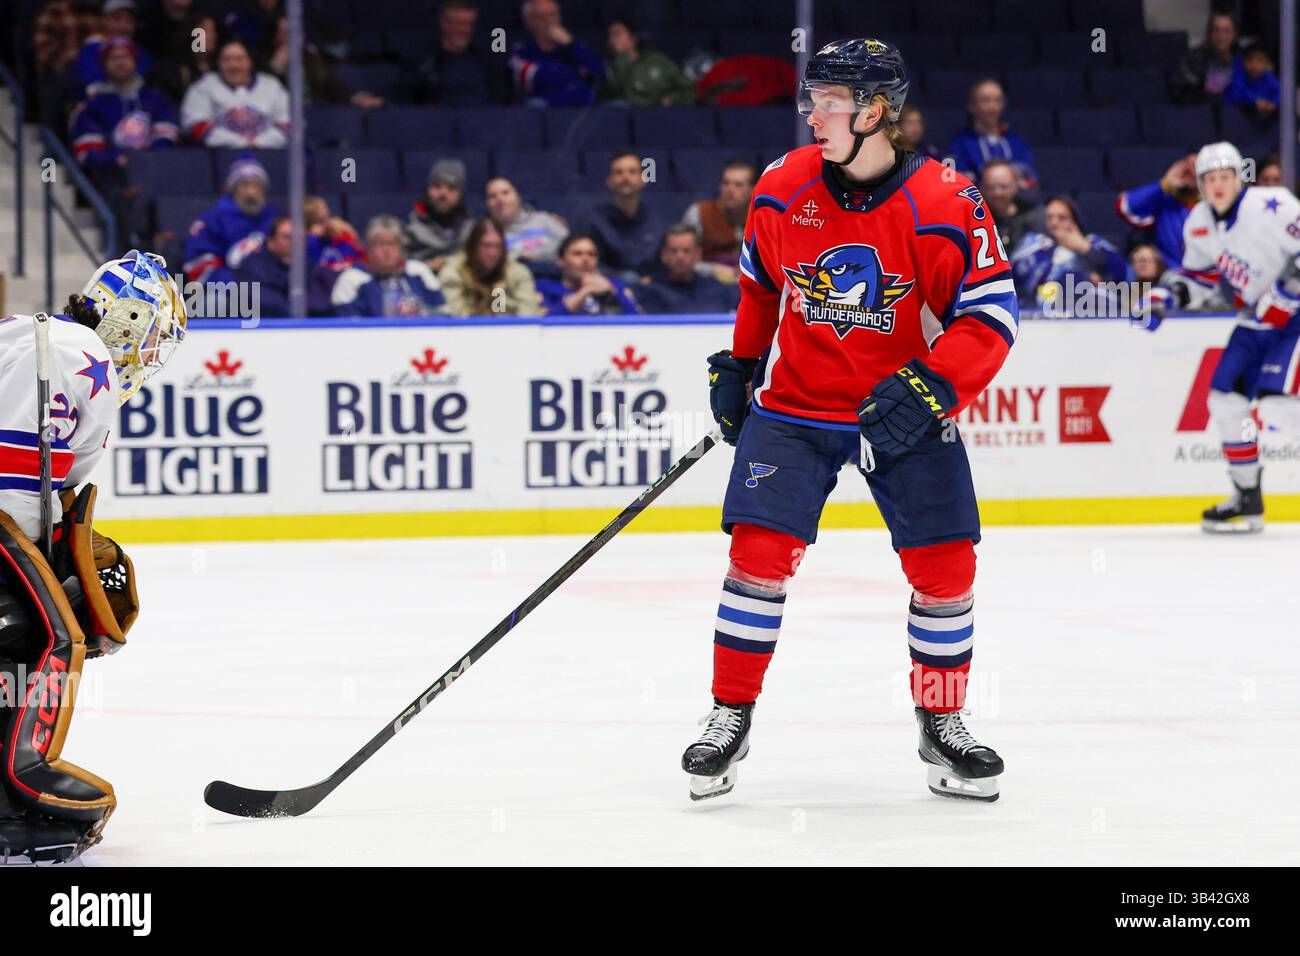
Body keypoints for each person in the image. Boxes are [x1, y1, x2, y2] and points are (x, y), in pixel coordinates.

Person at [686, 38, 1017, 803]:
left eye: (828, 101)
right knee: (757, 557)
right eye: (811, 99)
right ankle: (726, 715)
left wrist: (935, 386)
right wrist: (741, 364)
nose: (812, 115)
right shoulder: (781, 186)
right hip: (798, 406)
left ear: (874, 112)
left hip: (900, 411)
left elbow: (993, 313)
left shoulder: (944, 201)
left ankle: (943, 723)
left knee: (947, 570)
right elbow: (761, 284)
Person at [0, 250, 186, 863]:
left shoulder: (16, 332)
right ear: (129, 320)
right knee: (56, 636)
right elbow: (63, 493)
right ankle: (17, 788)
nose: (149, 354)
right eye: (153, 335)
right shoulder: (97, 363)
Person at [1136, 142, 1300, 534]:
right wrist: (1163, 298)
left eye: (1225, 177)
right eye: (1210, 179)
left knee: (1276, 406)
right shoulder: (1199, 224)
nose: (1218, 185)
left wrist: (1287, 292)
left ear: (1239, 178)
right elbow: (1197, 279)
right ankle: (1247, 496)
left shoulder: (1273, 204)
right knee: (1225, 401)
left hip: (1294, 319)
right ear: (1200, 184)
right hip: (1256, 322)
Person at [1010, 196, 1127, 310]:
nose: (1054, 223)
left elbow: (1120, 271)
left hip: (1091, 311)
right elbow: (1017, 276)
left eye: (1062, 218)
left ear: (1075, 220)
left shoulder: (1093, 242)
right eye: (1049, 217)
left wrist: (1084, 248)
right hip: (1039, 312)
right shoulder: (1033, 245)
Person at [184, 153, 280, 283]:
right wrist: (241, 285)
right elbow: (199, 267)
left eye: (257, 186)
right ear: (233, 189)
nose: (251, 193)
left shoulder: (275, 218)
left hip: (270, 288)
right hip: (230, 292)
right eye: (245, 185)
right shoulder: (211, 220)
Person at [180, 38, 289, 148]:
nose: (233, 65)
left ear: (250, 62)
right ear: (219, 63)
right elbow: (196, 126)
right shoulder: (203, 86)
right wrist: (241, 143)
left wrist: (259, 143)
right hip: (217, 157)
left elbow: (288, 125)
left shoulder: (272, 86)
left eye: (239, 59)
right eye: (226, 60)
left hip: (269, 155)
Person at [576, 151, 668, 279]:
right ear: (610, 181)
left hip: (650, 290)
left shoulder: (656, 223)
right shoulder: (592, 221)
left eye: (632, 172)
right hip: (607, 288)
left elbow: (663, 264)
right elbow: (588, 264)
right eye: (619, 172)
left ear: (643, 179)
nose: (626, 178)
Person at [332, 216, 446, 317]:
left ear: (402, 247)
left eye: (392, 244)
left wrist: (422, 313)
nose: (387, 251)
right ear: (367, 247)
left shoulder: (418, 271)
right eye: (380, 244)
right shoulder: (351, 279)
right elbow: (348, 328)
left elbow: (444, 314)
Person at [409, 0, 512, 106]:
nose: (464, 30)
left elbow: (501, 103)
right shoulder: (425, 63)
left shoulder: (486, 64)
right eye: (460, 23)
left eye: (469, 24)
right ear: (444, 24)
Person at [508, 0, 604, 107]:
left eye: (552, 15)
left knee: (617, 106)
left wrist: (570, 44)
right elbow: (533, 78)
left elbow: (601, 74)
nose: (549, 21)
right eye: (541, 17)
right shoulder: (521, 50)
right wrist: (579, 75)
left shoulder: (576, 48)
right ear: (529, 22)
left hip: (584, 110)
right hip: (543, 108)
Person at [439, 218, 541, 316]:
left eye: (497, 246)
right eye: (486, 245)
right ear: (472, 247)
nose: (493, 252)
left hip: (509, 332)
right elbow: (456, 319)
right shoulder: (453, 273)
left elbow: (528, 317)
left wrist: (502, 304)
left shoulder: (518, 273)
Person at [946, 78, 1036, 186]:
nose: (992, 107)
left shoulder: (1016, 142)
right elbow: (952, 181)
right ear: (972, 106)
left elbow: (1030, 180)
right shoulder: (959, 144)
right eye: (985, 100)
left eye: (997, 100)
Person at [1115, 154, 1199, 270]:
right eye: (1186, 164)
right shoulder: (1164, 202)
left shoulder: (1217, 209)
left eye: (1196, 166)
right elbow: (1125, 207)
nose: (1188, 171)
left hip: (1209, 278)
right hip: (1167, 277)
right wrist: (1164, 184)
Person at [637, 225, 739, 313]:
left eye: (686, 251)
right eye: (674, 251)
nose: (680, 256)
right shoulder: (650, 292)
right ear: (664, 254)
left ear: (698, 254)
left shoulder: (717, 290)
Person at [536, 232, 640, 315]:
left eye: (591, 254)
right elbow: (542, 325)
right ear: (560, 261)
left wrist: (613, 292)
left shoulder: (614, 286)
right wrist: (585, 292)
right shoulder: (544, 288)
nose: (586, 259)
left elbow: (640, 322)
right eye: (577, 254)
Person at [484, 176, 569, 274]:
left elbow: (571, 247)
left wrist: (535, 255)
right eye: (492, 196)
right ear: (487, 204)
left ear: (518, 196)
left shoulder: (544, 219)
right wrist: (520, 257)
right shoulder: (487, 233)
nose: (500, 199)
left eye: (505, 193)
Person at [681, 159, 757, 268]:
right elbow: (682, 261)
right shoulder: (699, 213)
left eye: (738, 185)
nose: (730, 190)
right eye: (726, 183)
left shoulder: (760, 218)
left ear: (752, 190)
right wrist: (713, 270)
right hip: (706, 281)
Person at [404, 159, 474, 274]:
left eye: (451, 188)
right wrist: (425, 268)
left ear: (460, 194)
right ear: (427, 190)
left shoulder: (473, 230)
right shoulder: (409, 229)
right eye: (436, 186)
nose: (443, 193)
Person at [603, 18, 693, 106]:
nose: (612, 39)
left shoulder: (657, 60)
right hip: (629, 116)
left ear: (633, 37)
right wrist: (622, 59)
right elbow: (613, 91)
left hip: (661, 116)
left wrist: (673, 99)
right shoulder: (612, 66)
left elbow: (688, 89)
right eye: (610, 35)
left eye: (616, 34)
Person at [1170, 11, 1239, 105]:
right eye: (1216, 30)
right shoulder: (1195, 58)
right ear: (1209, 33)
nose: (1221, 36)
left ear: (1234, 34)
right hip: (1202, 112)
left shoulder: (1243, 56)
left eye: (1226, 31)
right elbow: (1179, 95)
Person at [979, 159, 1042, 253]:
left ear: (1015, 186)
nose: (997, 193)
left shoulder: (1034, 216)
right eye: (991, 187)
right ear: (981, 188)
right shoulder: (976, 219)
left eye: (1003, 186)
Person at [1223, 43, 1280, 118]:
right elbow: (1234, 94)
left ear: (1267, 64)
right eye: (1249, 60)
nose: (1254, 65)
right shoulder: (1237, 77)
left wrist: (1274, 104)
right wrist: (1254, 100)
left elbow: (1282, 95)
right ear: (1243, 62)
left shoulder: (1271, 80)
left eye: (1260, 61)